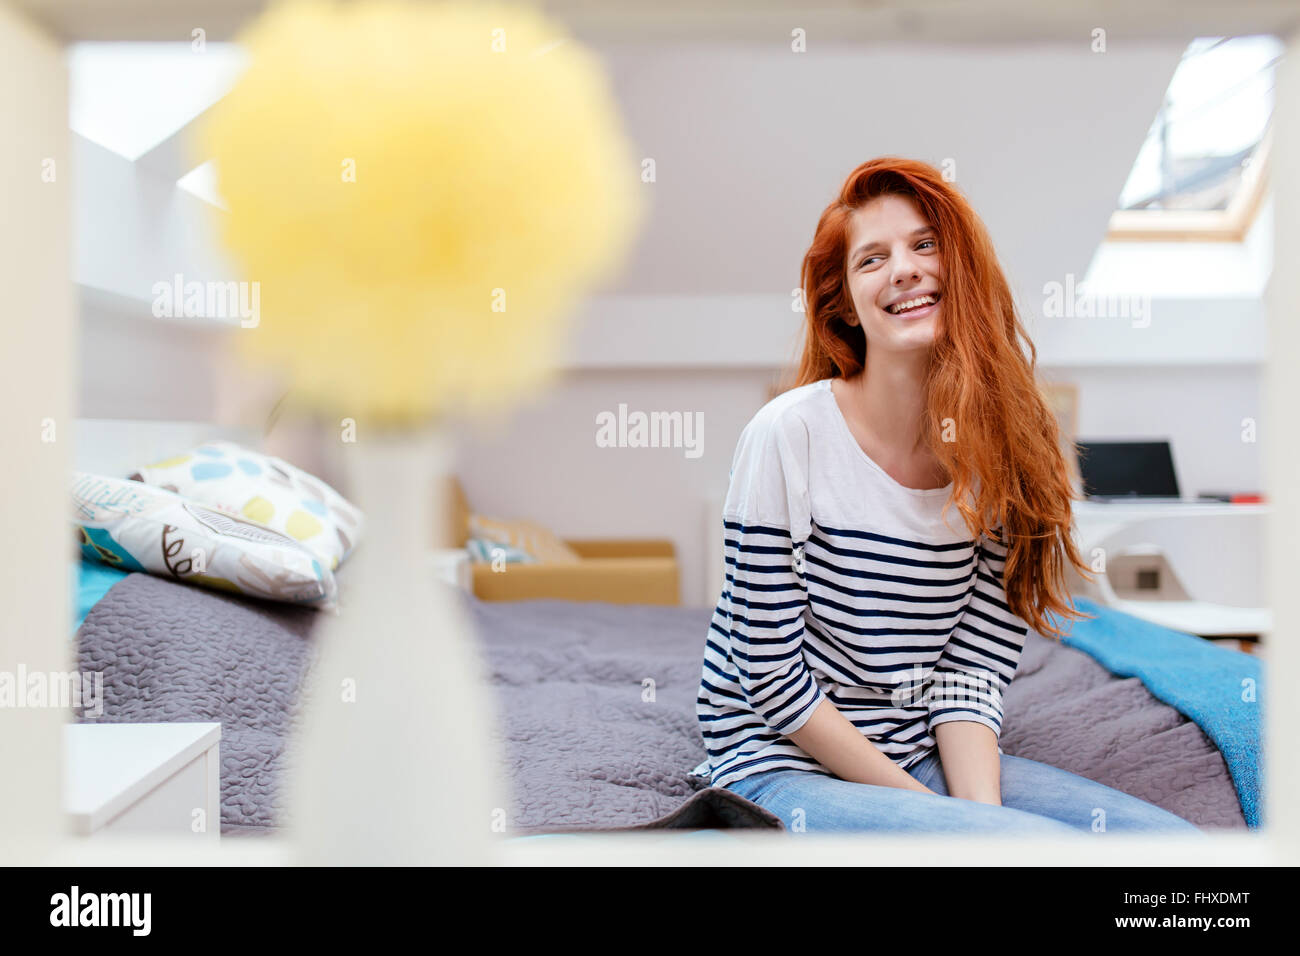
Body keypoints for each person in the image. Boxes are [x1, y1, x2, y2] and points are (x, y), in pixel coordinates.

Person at [695, 157, 1202, 835]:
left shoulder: (1000, 457)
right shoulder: (788, 436)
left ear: (958, 268)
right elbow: (769, 673)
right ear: (844, 302)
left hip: (917, 754)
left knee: (1171, 845)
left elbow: (970, 671)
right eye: (871, 259)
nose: (903, 268)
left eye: (924, 245)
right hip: (774, 767)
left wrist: (974, 818)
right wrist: (947, 825)